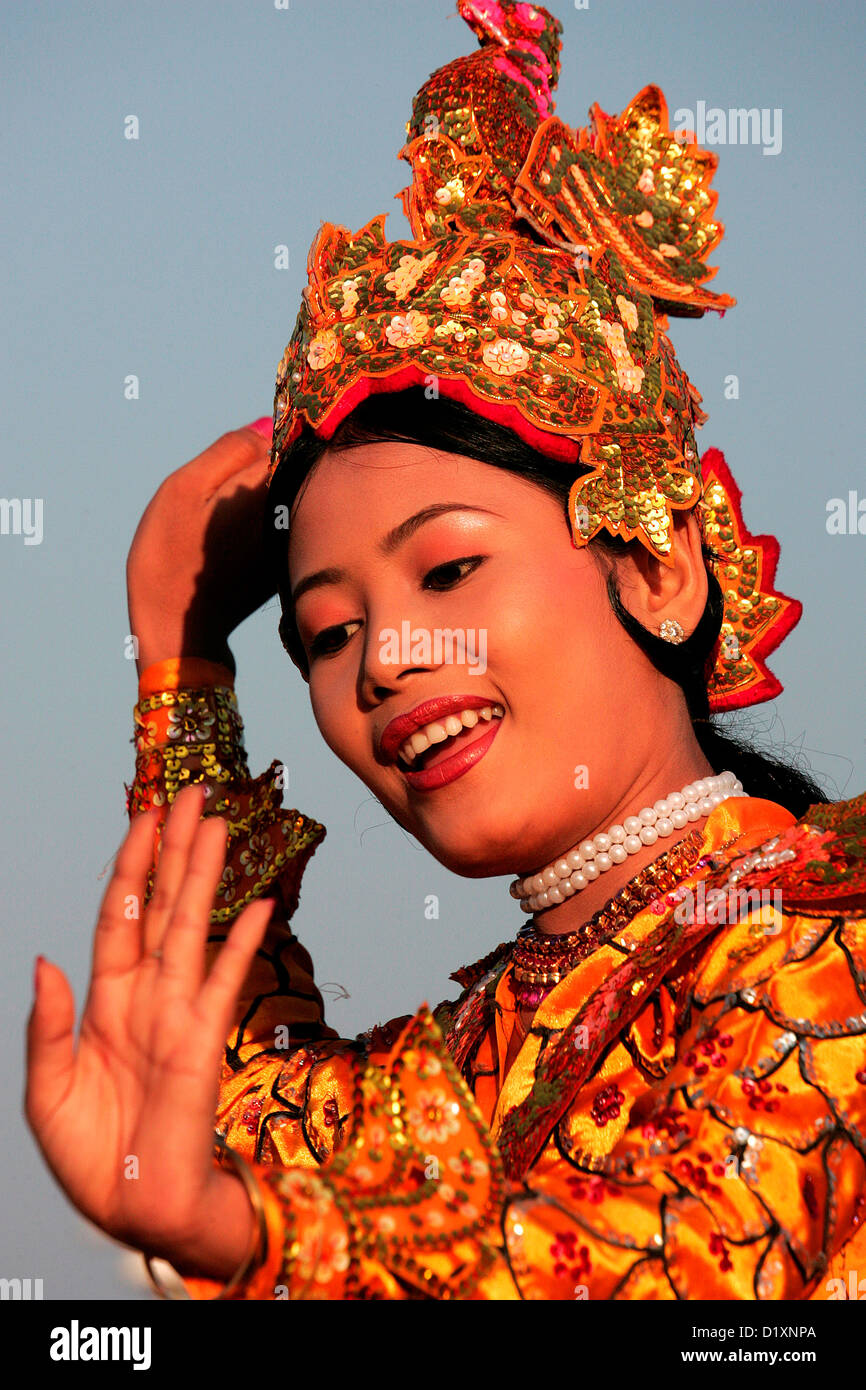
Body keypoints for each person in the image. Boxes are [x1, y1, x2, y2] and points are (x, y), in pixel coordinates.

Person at [25, 0, 866, 1300]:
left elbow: (645, 1263)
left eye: (449, 567)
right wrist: (180, 658)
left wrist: (253, 1236)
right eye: (324, 631)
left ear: (653, 562)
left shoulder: (818, 950)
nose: (383, 662)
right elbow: (235, 1151)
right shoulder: (462, 1046)